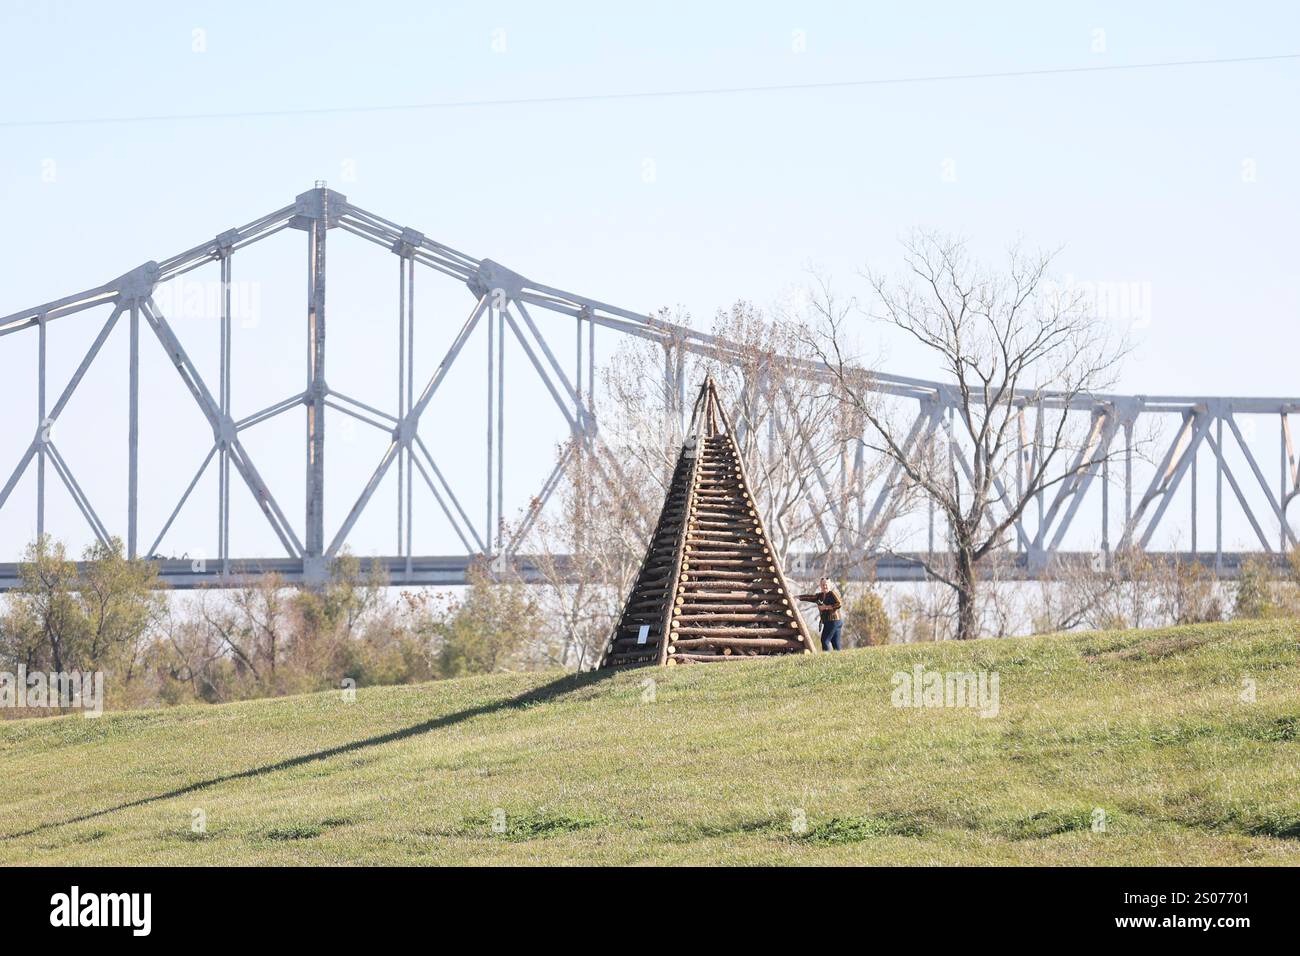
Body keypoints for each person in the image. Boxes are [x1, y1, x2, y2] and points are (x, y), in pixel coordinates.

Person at [797, 577, 843, 651]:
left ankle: (826, 659)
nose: (824, 586)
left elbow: (839, 604)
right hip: (830, 622)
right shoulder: (820, 596)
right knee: (835, 644)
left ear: (830, 585)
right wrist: (798, 597)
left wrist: (826, 607)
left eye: (826, 584)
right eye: (823, 585)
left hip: (834, 621)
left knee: (825, 640)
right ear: (820, 586)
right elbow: (810, 597)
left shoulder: (832, 593)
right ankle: (840, 660)